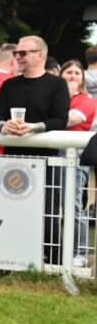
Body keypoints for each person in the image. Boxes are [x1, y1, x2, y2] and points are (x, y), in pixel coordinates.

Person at [0, 35, 70, 263]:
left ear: (41, 55)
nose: (18, 57)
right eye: (17, 53)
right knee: (10, 209)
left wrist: (34, 128)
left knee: (49, 210)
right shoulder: (9, 84)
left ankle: (53, 261)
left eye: (23, 53)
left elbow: (60, 119)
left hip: (47, 159)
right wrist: (3, 126)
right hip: (13, 158)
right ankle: (7, 260)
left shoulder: (57, 84)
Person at [60, 60, 96, 267]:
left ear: (83, 78)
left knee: (74, 205)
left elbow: (70, 119)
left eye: (77, 73)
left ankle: (79, 252)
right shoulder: (56, 97)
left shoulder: (87, 100)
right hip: (50, 154)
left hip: (76, 157)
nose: (73, 76)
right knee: (53, 206)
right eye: (68, 72)